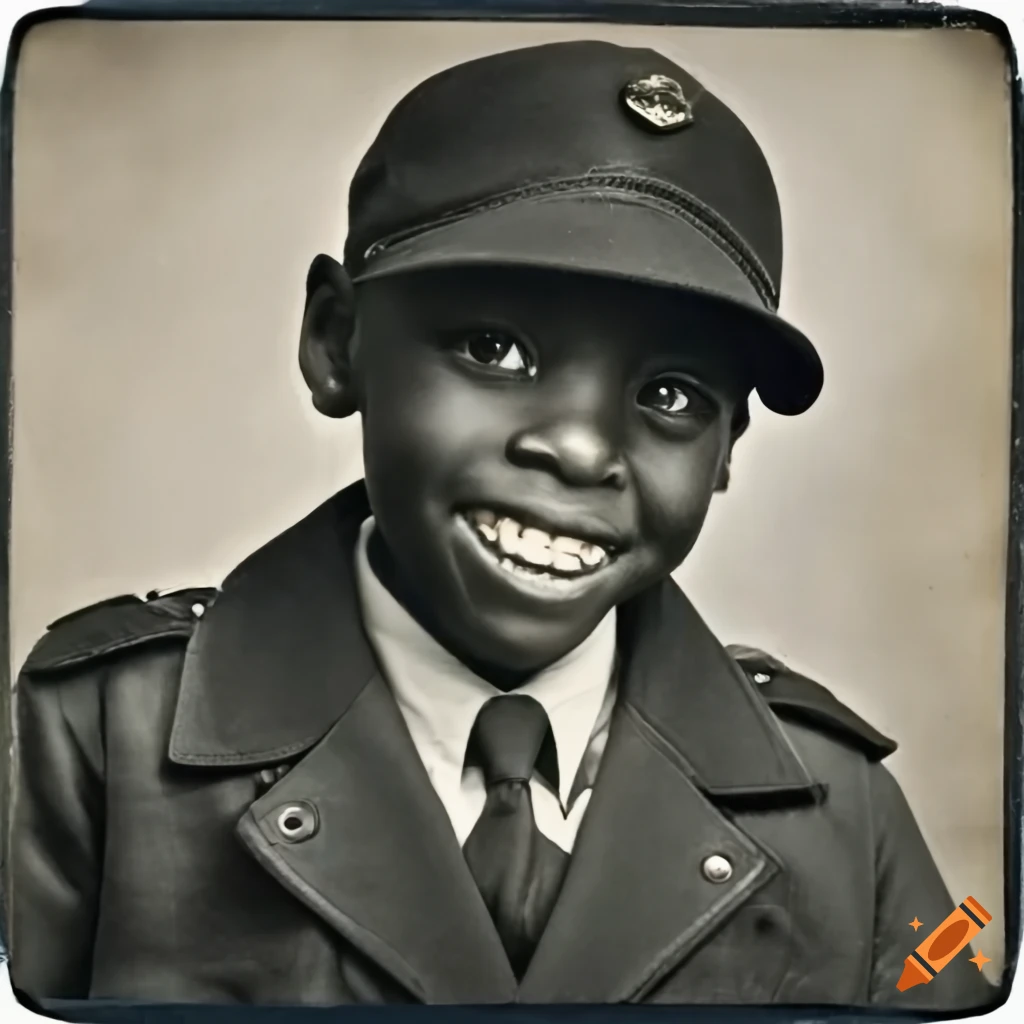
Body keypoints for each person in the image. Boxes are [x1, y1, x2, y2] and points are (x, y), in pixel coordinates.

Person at [7, 40, 997, 1009]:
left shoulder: (835, 806)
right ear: (335, 340)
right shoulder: (97, 739)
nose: (578, 449)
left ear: (730, 444)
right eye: (496, 347)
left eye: (671, 393)